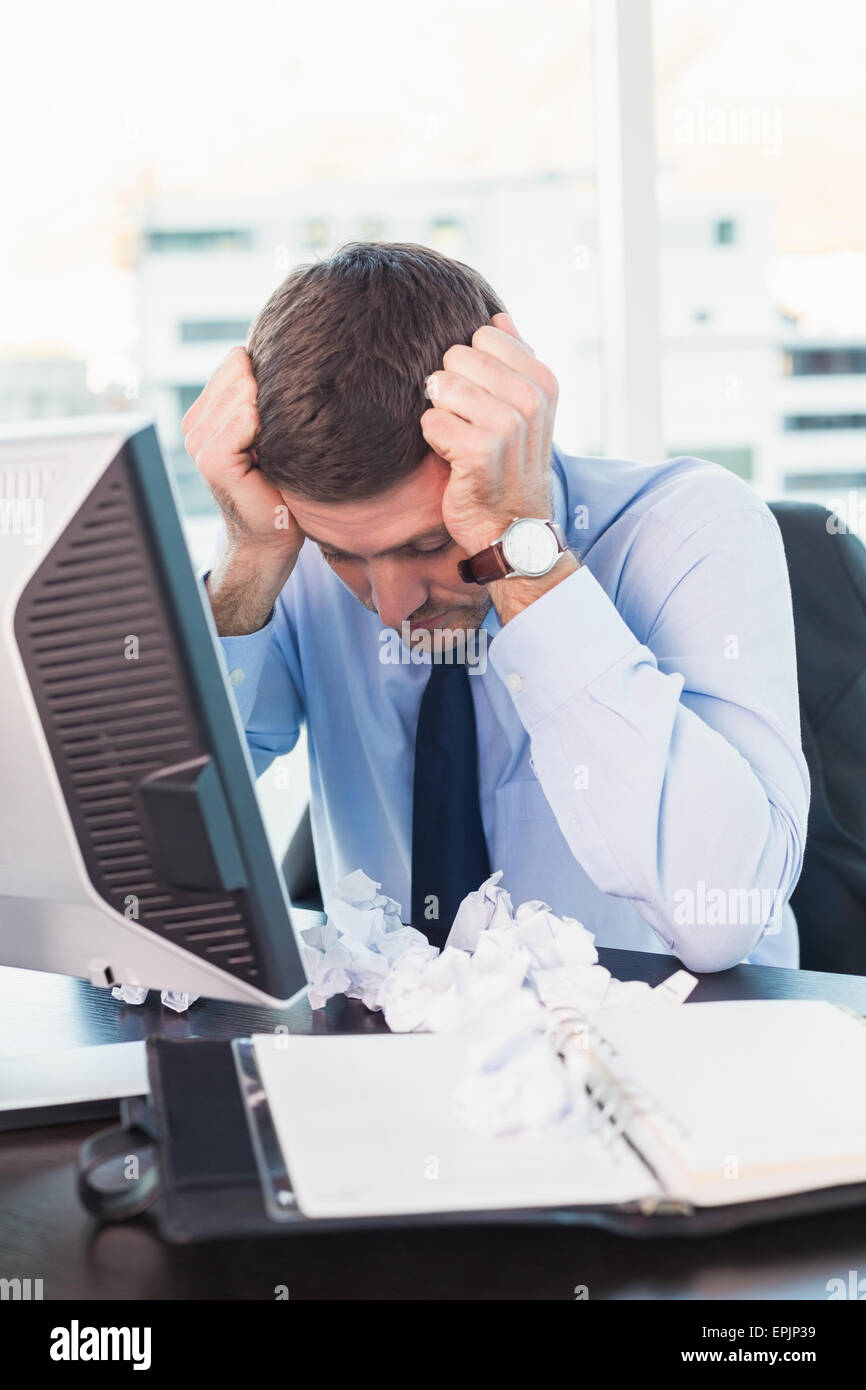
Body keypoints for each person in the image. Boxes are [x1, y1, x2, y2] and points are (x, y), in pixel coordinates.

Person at [182, 241, 809, 970]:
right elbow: (140, 850)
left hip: (667, 1057)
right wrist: (248, 565)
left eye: (425, 544)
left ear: (519, 438)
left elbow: (721, 918)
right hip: (396, 1059)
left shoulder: (695, 529)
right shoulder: (293, 556)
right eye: (345, 556)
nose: (391, 610)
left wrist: (521, 550)